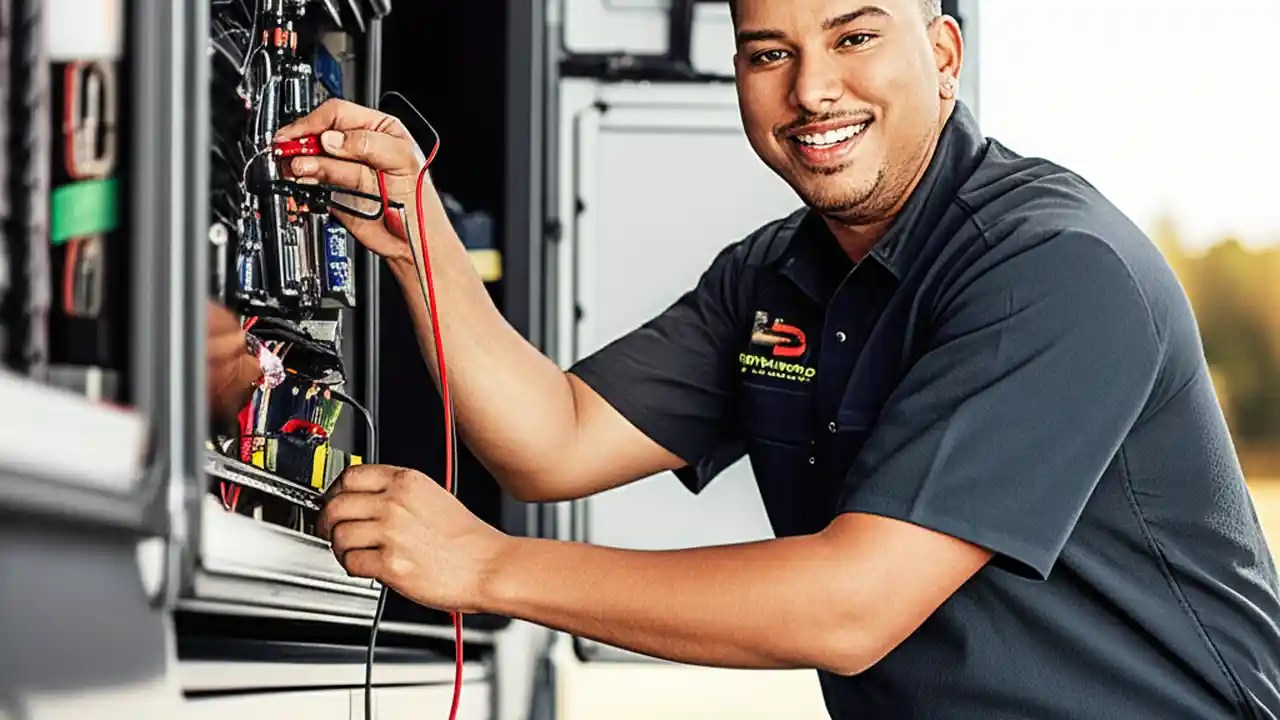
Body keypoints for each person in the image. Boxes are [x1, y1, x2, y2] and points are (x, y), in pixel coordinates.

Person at [259, 0, 1280, 717]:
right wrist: (415, 238)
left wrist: (486, 566)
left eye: (853, 37)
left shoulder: (1051, 268)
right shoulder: (774, 276)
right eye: (766, 53)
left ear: (942, 53)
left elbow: (850, 605)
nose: (810, 91)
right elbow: (554, 441)